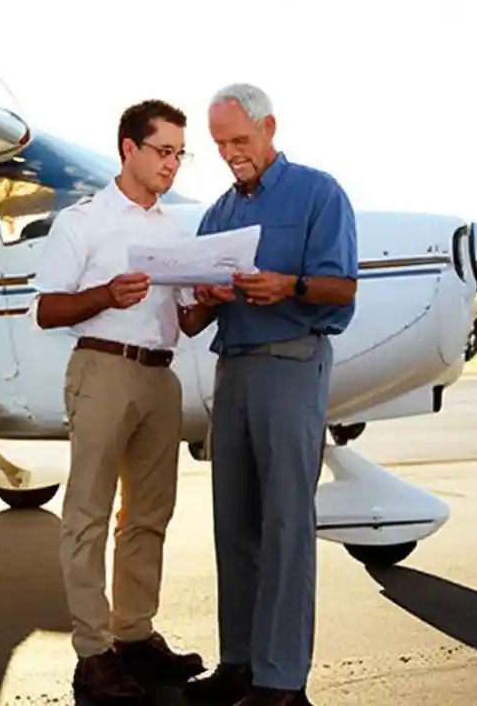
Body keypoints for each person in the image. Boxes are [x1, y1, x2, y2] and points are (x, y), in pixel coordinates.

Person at [178, 83, 359, 706]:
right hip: (233, 372)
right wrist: (203, 299)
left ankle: (281, 680)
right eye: (221, 144)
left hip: (292, 366)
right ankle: (239, 664)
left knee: (285, 524)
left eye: (240, 140)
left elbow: (342, 291)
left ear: (269, 129)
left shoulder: (318, 193)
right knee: (234, 523)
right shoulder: (217, 215)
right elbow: (189, 323)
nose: (231, 153)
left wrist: (289, 285)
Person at [31, 98, 211, 701]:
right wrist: (106, 294)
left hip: (162, 377)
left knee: (147, 516)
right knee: (86, 514)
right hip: (103, 370)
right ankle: (93, 653)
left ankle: (135, 636)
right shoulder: (82, 221)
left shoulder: (174, 230)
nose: (174, 165)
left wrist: (211, 299)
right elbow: (47, 309)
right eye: (165, 151)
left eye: (181, 154)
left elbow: (186, 324)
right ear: (129, 150)